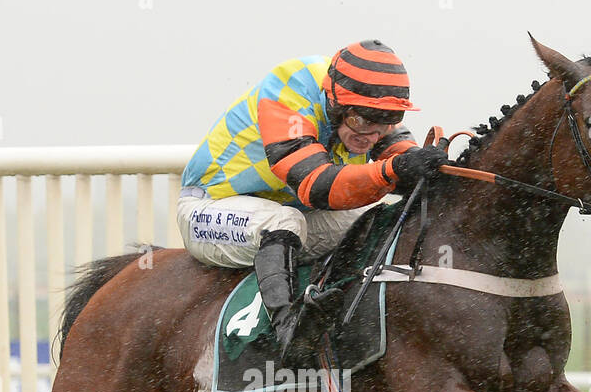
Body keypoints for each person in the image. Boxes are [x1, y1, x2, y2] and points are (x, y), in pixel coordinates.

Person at [178, 39, 449, 355]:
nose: (371, 134)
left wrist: (425, 165)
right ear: (335, 104)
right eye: (361, 120)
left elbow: (399, 157)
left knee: (371, 218)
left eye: (384, 122)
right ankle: (288, 329)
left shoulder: (367, 101)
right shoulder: (290, 88)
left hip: (288, 215)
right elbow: (316, 186)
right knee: (283, 220)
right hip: (207, 208)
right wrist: (394, 170)